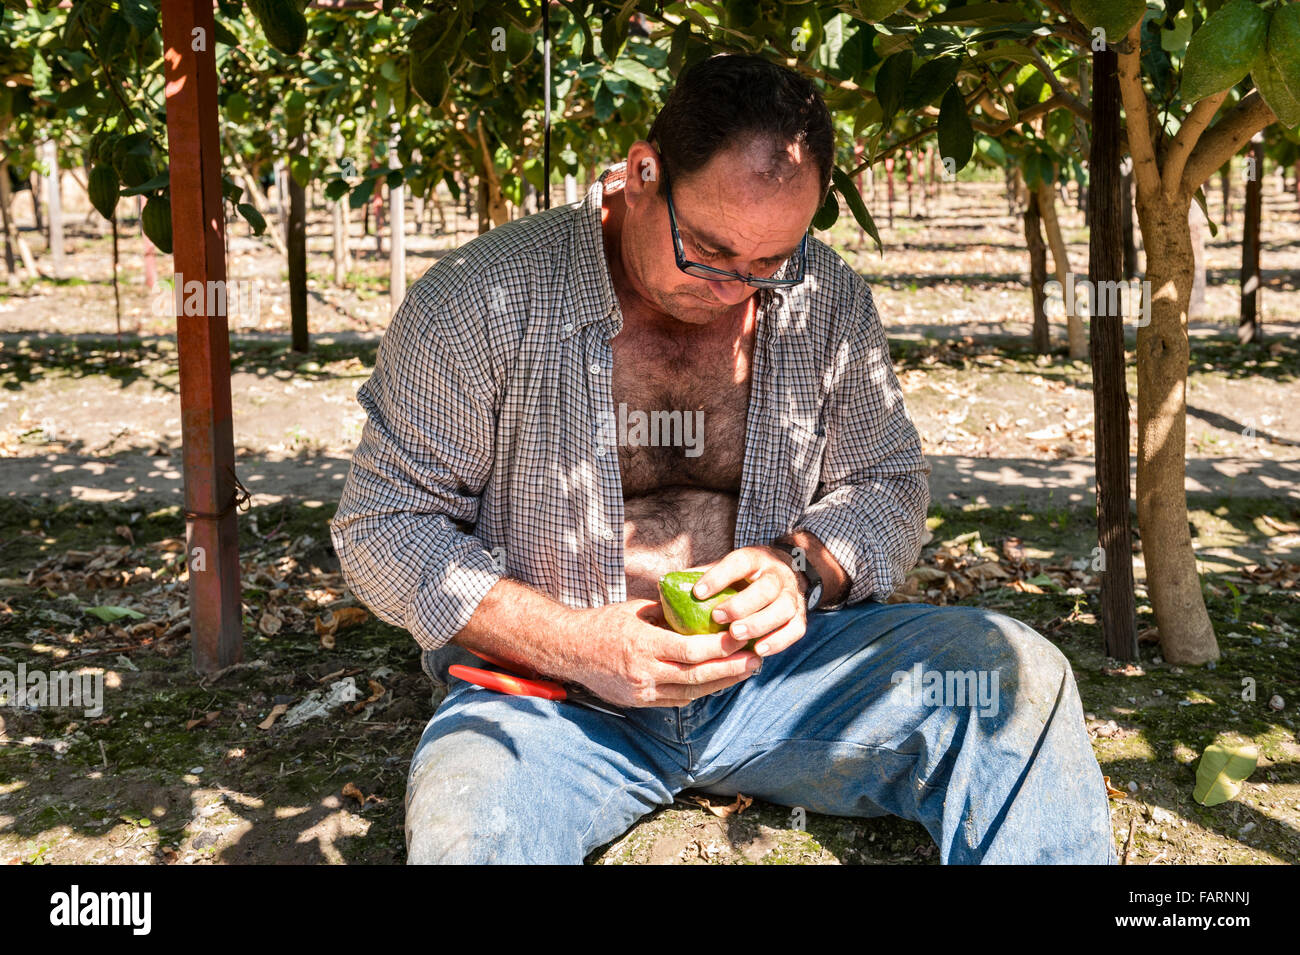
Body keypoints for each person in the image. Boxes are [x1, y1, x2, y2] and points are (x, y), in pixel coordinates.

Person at [329, 53, 1116, 865]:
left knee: (1013, 678)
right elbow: (384, 528)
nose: (734, 288)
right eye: (707, 249)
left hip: (783, 679)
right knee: (472, 831)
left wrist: (801, 569)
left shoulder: (825, 298)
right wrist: (578, 643)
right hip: (552, 698)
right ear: (643, 173)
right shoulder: (478, 301)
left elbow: (887, 484)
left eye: (768, 261)